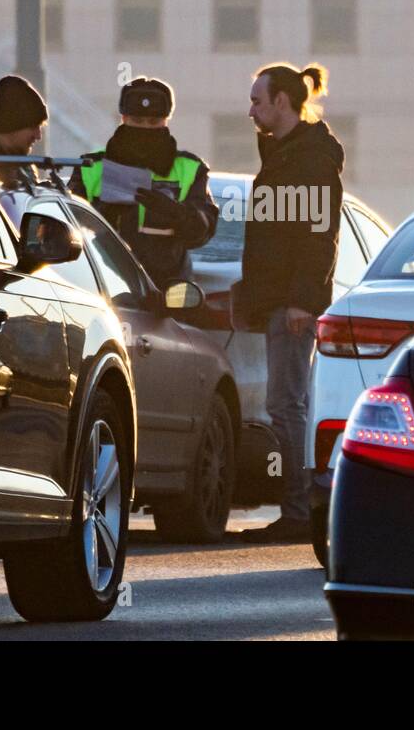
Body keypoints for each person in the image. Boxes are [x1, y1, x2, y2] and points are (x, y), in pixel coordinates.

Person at [236, 62, 344, 543]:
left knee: (287, 404)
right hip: (277, 299)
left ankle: (299, 511)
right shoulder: (282, 154)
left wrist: (303, 299)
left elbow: (319, 235)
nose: (252, 109)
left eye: (258, 100)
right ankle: (297, 508)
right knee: (285, 403)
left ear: (282, 101)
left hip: (291, 304)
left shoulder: (310, 158)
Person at [69, 77, 219, 291]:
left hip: (169, 292)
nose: (145, 128)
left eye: (153, 122)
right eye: (137, 121)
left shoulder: (191, 168)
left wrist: (176, 213)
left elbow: (202, 233)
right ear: (123, 118)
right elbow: (71, 232)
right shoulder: (90, 166)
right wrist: (104, 214)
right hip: (104, 287)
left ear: (166, 121)